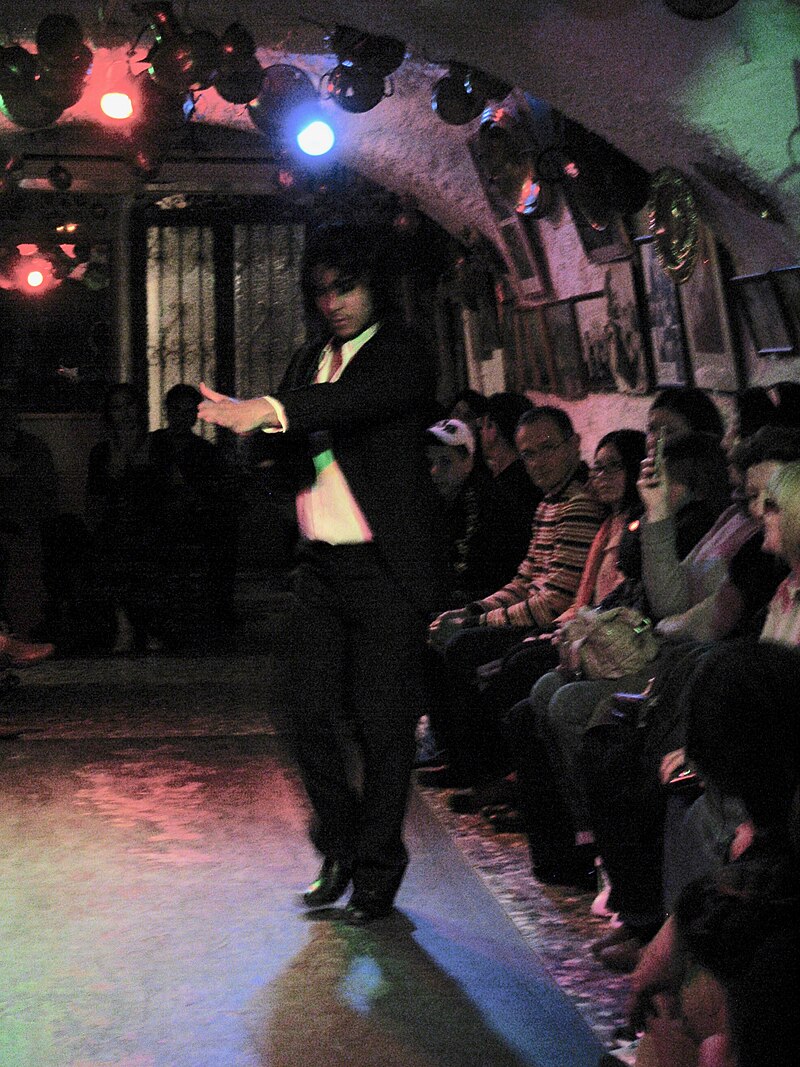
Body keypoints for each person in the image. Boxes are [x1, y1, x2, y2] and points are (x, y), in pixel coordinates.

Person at [197, 223, 448, 925]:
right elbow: (294, 439)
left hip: (385, 570)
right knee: (303, 710)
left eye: (348, 288)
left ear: (374, 288)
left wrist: (271, 410)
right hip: (320, 566)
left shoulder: (403, 353)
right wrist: (266, 455)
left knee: (381, 724)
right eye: (324, 292)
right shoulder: (312, 356)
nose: (335, 303)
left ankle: (376, 870)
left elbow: (348, 405)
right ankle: (341, 844)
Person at [423, 406, 604, 794]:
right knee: (442, 634)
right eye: (529, 455)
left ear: (574, 445)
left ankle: (481, 770)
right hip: (536, 614)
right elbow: (524, 580)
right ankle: (461, 759)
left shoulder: (579, 504)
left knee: (463, 646)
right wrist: (471, 610)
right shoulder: (548, 502)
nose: (538, 462)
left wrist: (477, 621)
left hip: (558, 623)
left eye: (547, 448)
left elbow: (553, 600)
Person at [425, 417, 530, 604]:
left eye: (445, 462)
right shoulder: (445, 500)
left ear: (468, 461)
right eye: (430, 462)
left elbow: (470, 577)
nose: (434, 471)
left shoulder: (485, 503)